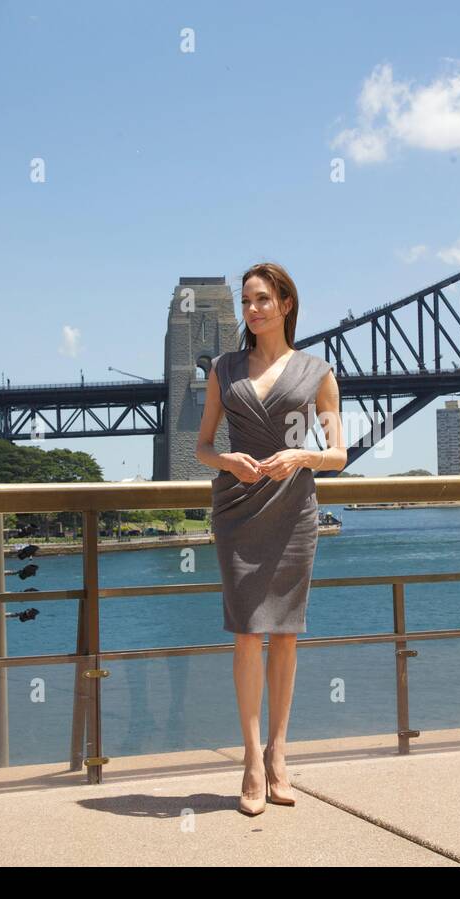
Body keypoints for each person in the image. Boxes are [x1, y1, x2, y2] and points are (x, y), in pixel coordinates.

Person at [195, 262, 345, 816]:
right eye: (246, 301)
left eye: (263, 299)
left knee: (285, 634)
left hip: (293, 508)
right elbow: (203, 446)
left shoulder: (317, 372)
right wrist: (228, 460)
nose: (253, 309)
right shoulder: (223, 369)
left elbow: (338, 453)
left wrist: (303, 455)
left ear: (285, 304)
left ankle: (279, 753)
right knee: (245, 633)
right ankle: (250, 761)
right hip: (237, 509)